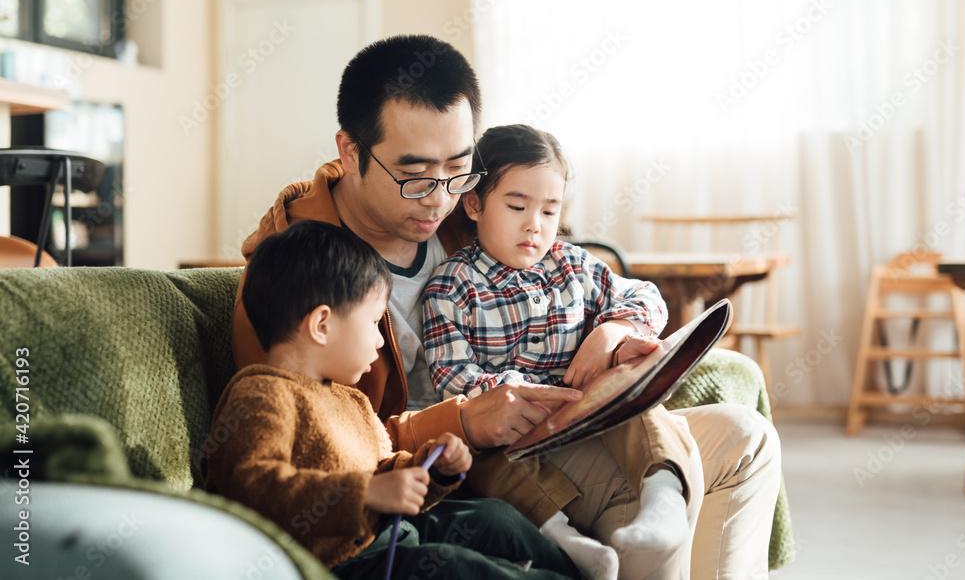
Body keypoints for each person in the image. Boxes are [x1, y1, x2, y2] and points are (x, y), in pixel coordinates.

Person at [231, 34, 782, 579]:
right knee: (637, 501)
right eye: (416, 176)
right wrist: (464, 419)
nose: (440, 198)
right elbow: (329, 441)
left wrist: (613, 328)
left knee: (745, 438)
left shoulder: (469, 209)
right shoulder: (296, 264)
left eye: (458, 169)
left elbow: (571, 269)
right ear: (351, 151)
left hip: (557, 418)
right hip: (475, 465)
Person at [203, 220, 579, 579]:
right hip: (336, 563)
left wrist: (430, 469)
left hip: (390, 536)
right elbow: (250, 488)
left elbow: (384, 470)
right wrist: (366, 494)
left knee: (497, 519)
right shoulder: (261, 393)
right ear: (322, 325)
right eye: (372, 324)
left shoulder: (351, 401)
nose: (381, 341)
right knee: (454, 568)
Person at [423, 124, 701, 579]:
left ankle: (663, 500)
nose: (535, 225)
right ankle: (565, 539)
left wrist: (610, 334)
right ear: (474, 203)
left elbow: (646, 297)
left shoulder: (571, 264)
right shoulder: (451, 287)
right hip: (519, 433)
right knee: (484, 467)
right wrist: (516, 392)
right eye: (517, 207)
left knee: (639, 403)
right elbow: (452, 376)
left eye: (549, 211)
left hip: (592, 412)